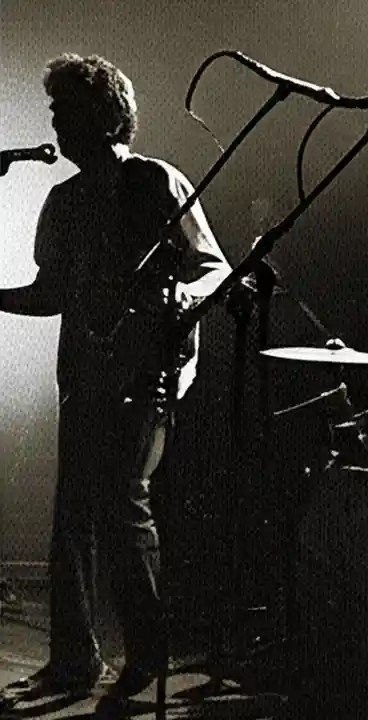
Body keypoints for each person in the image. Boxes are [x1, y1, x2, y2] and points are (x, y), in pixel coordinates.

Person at [0, 54, 231, 706]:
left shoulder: (154, 179)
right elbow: (51, 294)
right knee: (73, 517)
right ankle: (74, 661)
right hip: (82, 376)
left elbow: (212, 265)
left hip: (144, 376)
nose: (53, 122)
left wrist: (188, 302)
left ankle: (146, 661)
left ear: (98, 114)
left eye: (63, 108)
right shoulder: (63, 199)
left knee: (124, 512)